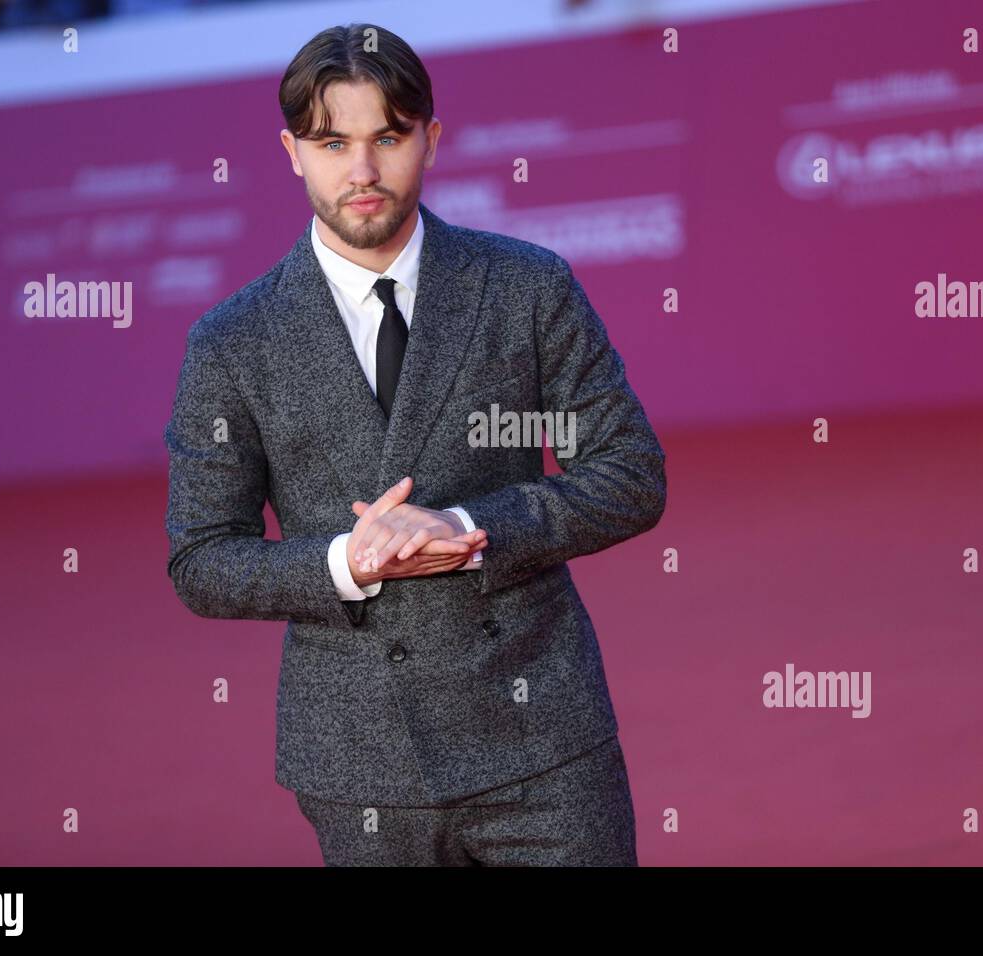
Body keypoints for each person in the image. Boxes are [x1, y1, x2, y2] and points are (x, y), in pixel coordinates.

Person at [163, 22, 666, 866]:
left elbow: (628, 475)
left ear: (432, 138)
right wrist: (343, 564)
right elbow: (202, 559)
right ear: (292, 152)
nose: (361, 172)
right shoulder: (232, 342)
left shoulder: (526, 286)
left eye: (387, 138)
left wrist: (468, 528)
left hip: (543, 737)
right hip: (358, 763)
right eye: (333, 143)